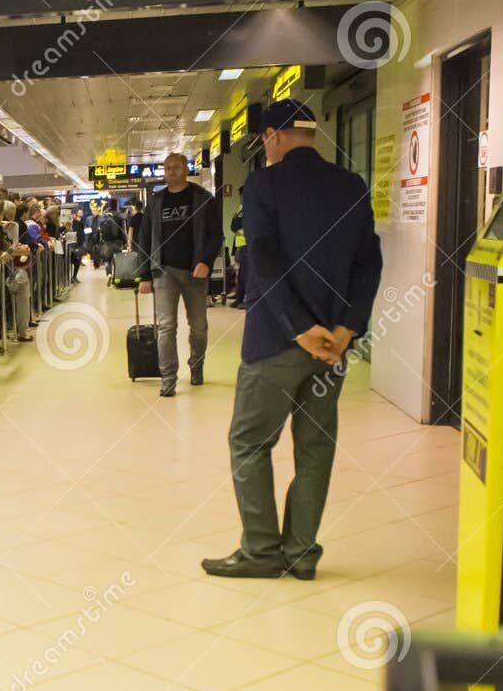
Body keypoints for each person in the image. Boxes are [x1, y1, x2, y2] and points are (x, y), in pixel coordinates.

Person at [204, 100, 382, 581]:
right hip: (332, 348)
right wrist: (347, 327)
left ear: (272, 137)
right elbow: (369, 263)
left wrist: (297, 327)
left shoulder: (264, 184)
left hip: (276, 343)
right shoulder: (351, 185)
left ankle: (262, 551)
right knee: (315, 448)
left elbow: (262, 259)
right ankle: (302, 553)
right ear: (312, 134)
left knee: (250, 441)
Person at [139, 152, 222, 395]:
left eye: (176, 167)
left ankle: (196, 365)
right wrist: (144, 274)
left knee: (198, 326)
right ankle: (168, 378)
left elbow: (216, 234)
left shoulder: (203, 198)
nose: (171, 172)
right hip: (164, 272)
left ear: (187, 169)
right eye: (167, 168)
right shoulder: (155, 201)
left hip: (195, 271)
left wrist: (206, 261)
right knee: (166, 326)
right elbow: (144, 238)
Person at [231, 209, 249, 309]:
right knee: (241, 275)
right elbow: (234, 227)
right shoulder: (240, 209)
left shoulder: (250, 208)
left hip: (248, 245)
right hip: (241, 245)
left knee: (246, 275)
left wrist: (236, 220)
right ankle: (239, 298)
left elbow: (237, 225)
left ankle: (247, 299)